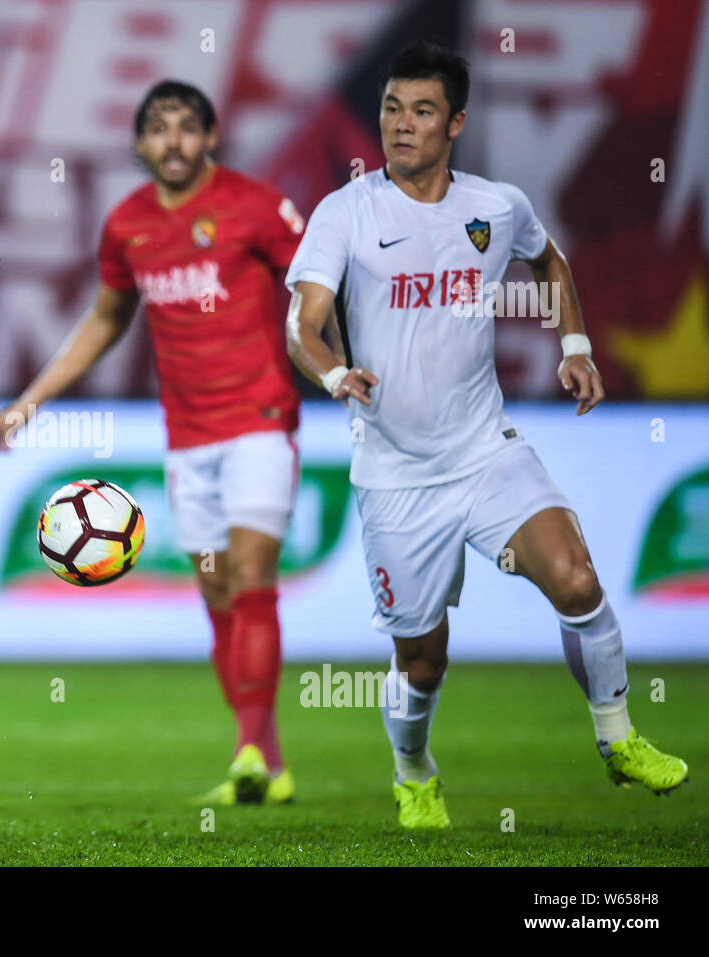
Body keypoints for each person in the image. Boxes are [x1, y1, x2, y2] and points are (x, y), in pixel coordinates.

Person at [285, 41, 688, 828]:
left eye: (422, 110)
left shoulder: (495, 207)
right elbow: (302, 326)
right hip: (397, 477)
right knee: (423, 661)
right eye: (392, 108)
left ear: (457, 122)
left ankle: (617, 737)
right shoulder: (348, 211)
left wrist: (576, 348)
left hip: (486, 454)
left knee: (577, 580)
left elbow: (551, 262)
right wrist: (336, 375)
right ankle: (414, 769)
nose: (401, 125)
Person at [0, 80, 307, 804]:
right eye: (158, 129)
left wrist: (343, 366)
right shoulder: (127, 225)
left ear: (212, 137)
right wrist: (31, 400)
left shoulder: (255, 207)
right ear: (138, 143)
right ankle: (269, 760)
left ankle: (249, 749)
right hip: (186, 435)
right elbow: (105, 319)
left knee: (253, 576)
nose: (173, 142)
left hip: (261, 418)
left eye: (187, 127)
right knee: (217, 587)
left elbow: (318, 287)